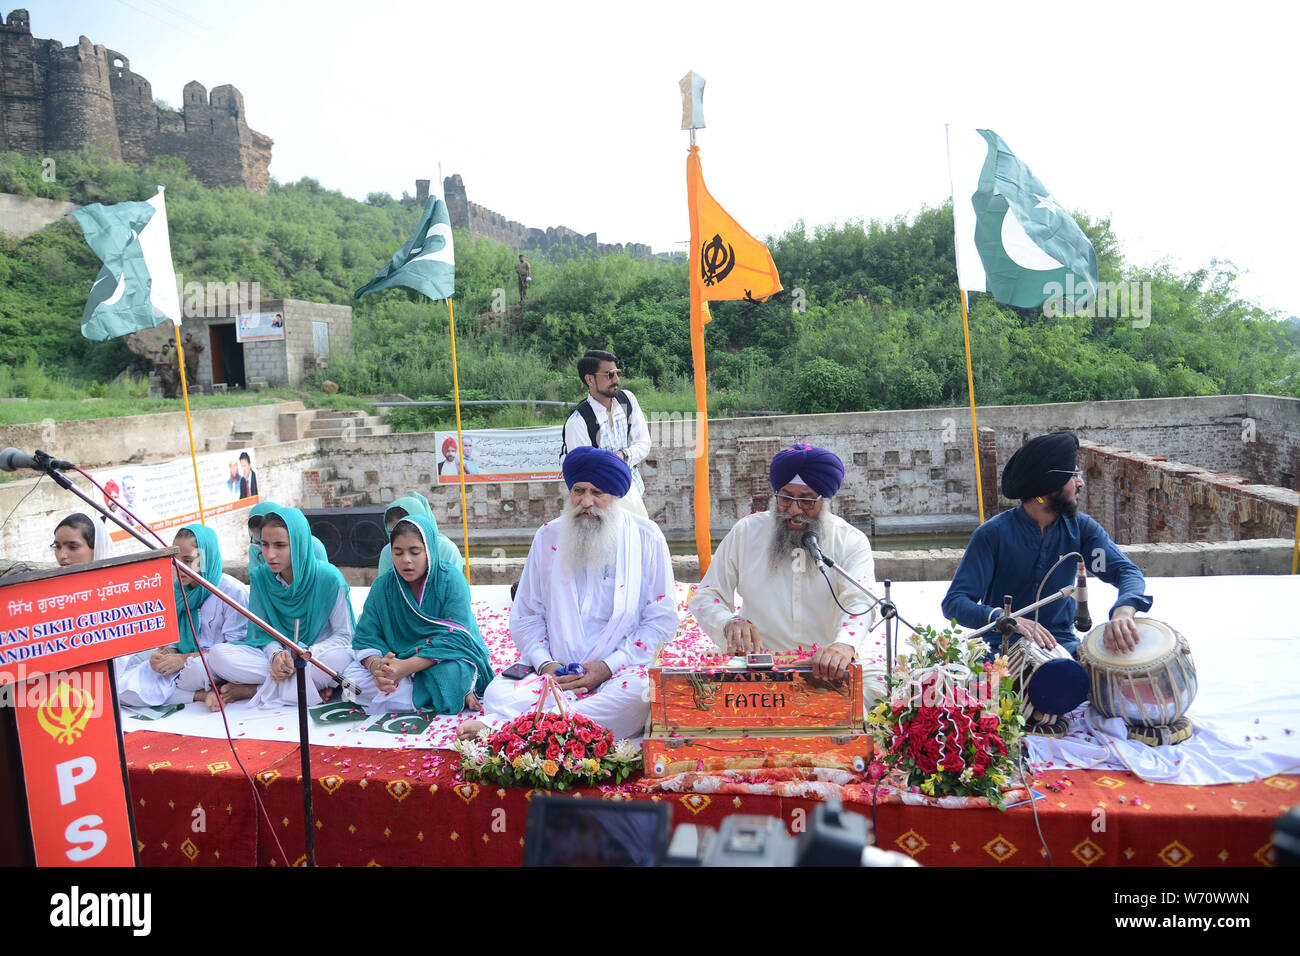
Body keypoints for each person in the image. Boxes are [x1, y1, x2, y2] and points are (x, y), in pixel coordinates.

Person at [459, 447, 677, 741]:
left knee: (638, 697)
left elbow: (661, 620)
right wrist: (547, 664)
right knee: (498, 693)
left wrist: (606, 667)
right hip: (555, 673)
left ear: (615, 496)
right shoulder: (548, 535)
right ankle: (566, 729)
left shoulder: (647, 537)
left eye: (597, 492)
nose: (586, 502)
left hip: (618, 670)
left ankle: (514, 729)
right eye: (579, 491)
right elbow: (527, 615)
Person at [689, 442, 882, 696]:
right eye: (786, 497)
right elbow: (706, 595)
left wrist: (842, 646)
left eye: (806, 501)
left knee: (878, 696)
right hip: (759, 665)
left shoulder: (850, 541)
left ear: (825, 501)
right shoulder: (747, 533)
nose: (794, 510)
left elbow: (861, 603)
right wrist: (728, 622)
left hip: (828, 665)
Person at [941, 431, 1152, 658]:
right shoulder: (992, 535)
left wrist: (1123, 611)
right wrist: (1003, 618)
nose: (1080, 482)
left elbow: (1125, 572)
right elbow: (955, 602)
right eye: (1073, 476)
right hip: (999, 647)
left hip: (1060, 644)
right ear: (1051, 486)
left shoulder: (1081, 529)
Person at [206, 507, 354, 710]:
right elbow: (262, 633)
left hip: (317, 656)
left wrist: (304, 654)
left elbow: (344, 636)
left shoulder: (329, 578)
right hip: (277, 659)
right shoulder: (261, 577)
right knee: (218, 655)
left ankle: (254, 690)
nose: (270, 554)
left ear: (299, 544)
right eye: (264, 545)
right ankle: (305, 691)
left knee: (339, 661)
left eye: (280, 545)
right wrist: (276, 655)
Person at [342, 515, 492, 715]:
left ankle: (424, 692)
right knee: (350, 683)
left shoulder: (451, 579)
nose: (406, 560)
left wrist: (406, 667)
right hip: (395, 664)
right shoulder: (383, 586)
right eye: (398, 552)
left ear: (429, 550)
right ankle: (441, 694)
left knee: (454, 672)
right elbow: (366, 637)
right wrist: (378, 668)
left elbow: (458, 638)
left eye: (415, 552)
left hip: (439, 659)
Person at [116, 525, 250, 708]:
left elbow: (235, 648)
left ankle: (201, 689)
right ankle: (200, 694)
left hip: (216, 663)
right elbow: (172, 642)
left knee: (197, 669)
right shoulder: (177, 592)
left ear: (205, 559)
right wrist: (164, 655)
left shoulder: (231, 592)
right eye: (175, 560)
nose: (179, 567)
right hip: (184, 663)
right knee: (125, 689)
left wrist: (183, 659)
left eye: (187, 560)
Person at [562, 350, 651, 519]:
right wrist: (613, 464)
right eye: (609, 375)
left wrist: (623, 455)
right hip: (601, 511)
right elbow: (582, 475)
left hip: (635, 497)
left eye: (617, 373)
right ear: (590, 379)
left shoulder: (627, 401)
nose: (616, 379)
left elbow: (644, 443)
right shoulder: (578, 422)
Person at [377, 493, 464, 577]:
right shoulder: (387, 553)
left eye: (415, 552)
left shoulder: (446, 550)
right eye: (392, 533)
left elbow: (452, 587)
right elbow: (384, 588)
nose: (406, 560)